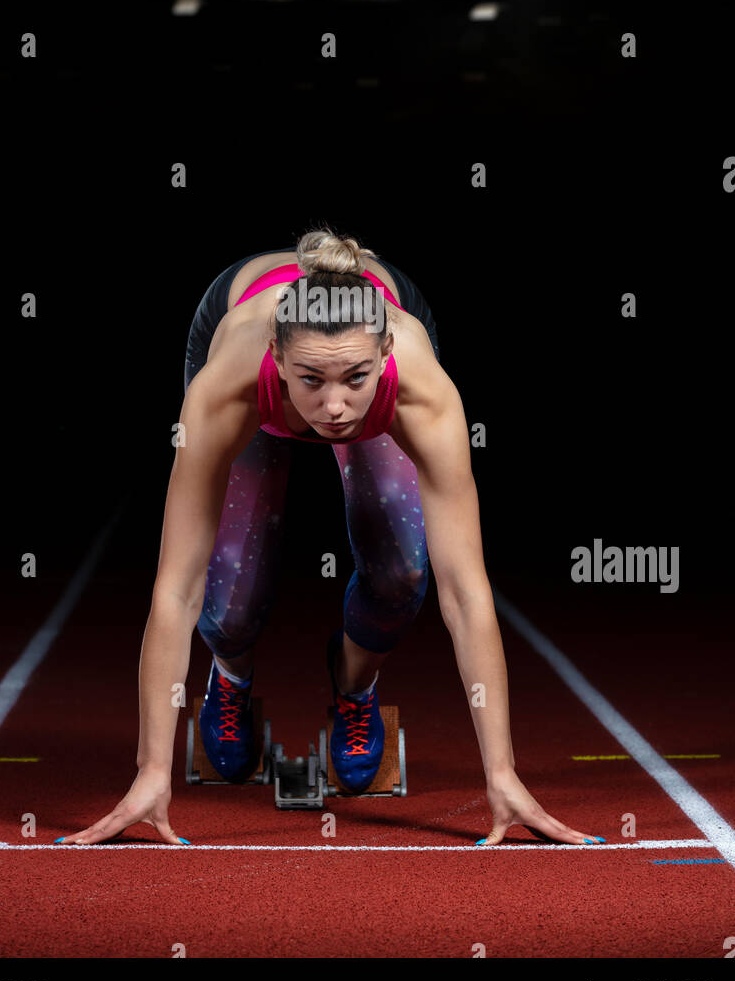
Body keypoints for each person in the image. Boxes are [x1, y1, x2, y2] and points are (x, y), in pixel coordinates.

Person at [60, 227, 603, 848]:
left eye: (355, 379)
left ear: (387, 353)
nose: (335, 409)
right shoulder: (229, 384)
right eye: (311, 380)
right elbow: (174, 589)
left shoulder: (422, 390)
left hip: (362, 356)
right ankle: (230, 679)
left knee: (403, 574)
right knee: (231, 594)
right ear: (277, 355)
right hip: (243, 343)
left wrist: (501, 775)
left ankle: (356, 688)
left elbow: (466, 591)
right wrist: (151, 771)